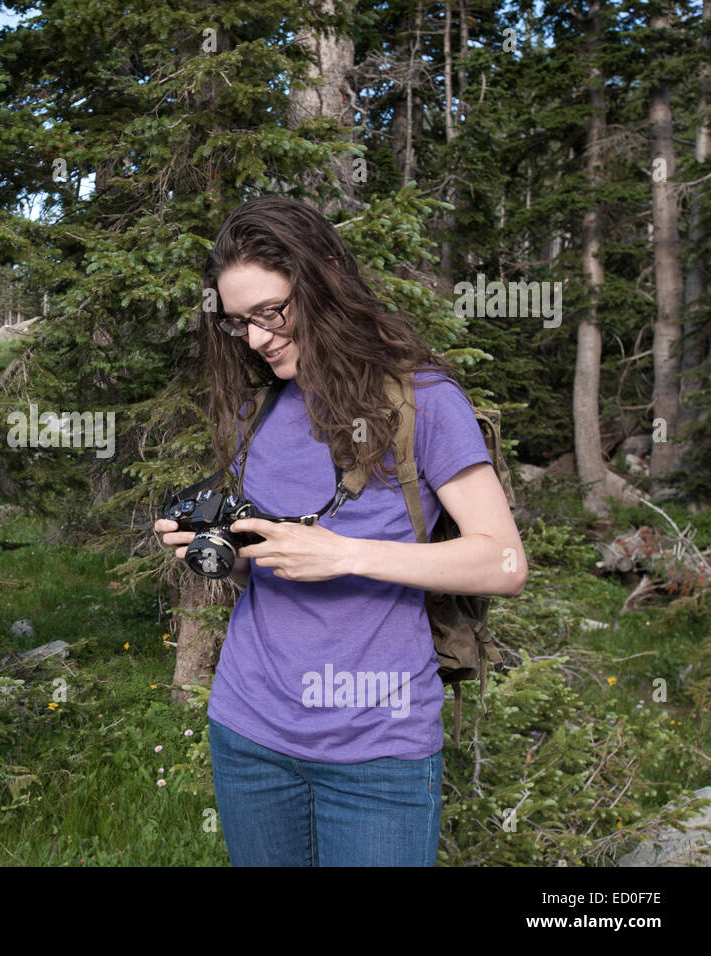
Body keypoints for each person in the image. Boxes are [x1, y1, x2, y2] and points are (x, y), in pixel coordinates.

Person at [154, 196, 527, 866]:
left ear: (326, 276)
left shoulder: (425, 402)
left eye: (272, 313)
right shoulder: (257, 410)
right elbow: (267, 564)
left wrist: (347, 553)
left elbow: (503, 561)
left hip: (378, 750)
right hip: (249, 732)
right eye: (241, 323)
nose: (259, 339)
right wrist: (220, 553)